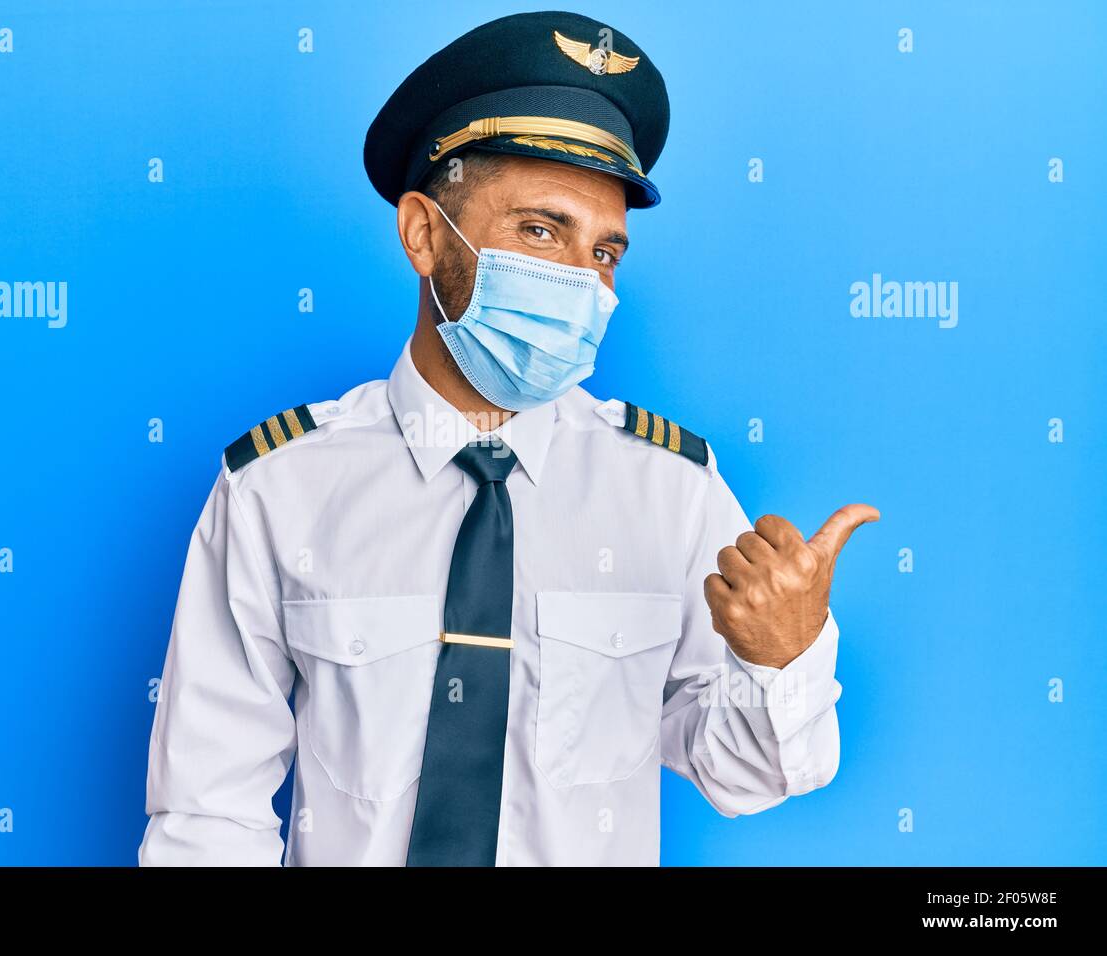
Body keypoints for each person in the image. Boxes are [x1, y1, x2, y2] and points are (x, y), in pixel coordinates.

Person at [137, 10, 878, 867]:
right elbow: (208, 815)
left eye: (605, 253)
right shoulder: (278, 487)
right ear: (423, 234)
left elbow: (747, 776)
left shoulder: (671, 489)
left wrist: (782, 658)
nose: (582, 282)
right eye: (540, 231)